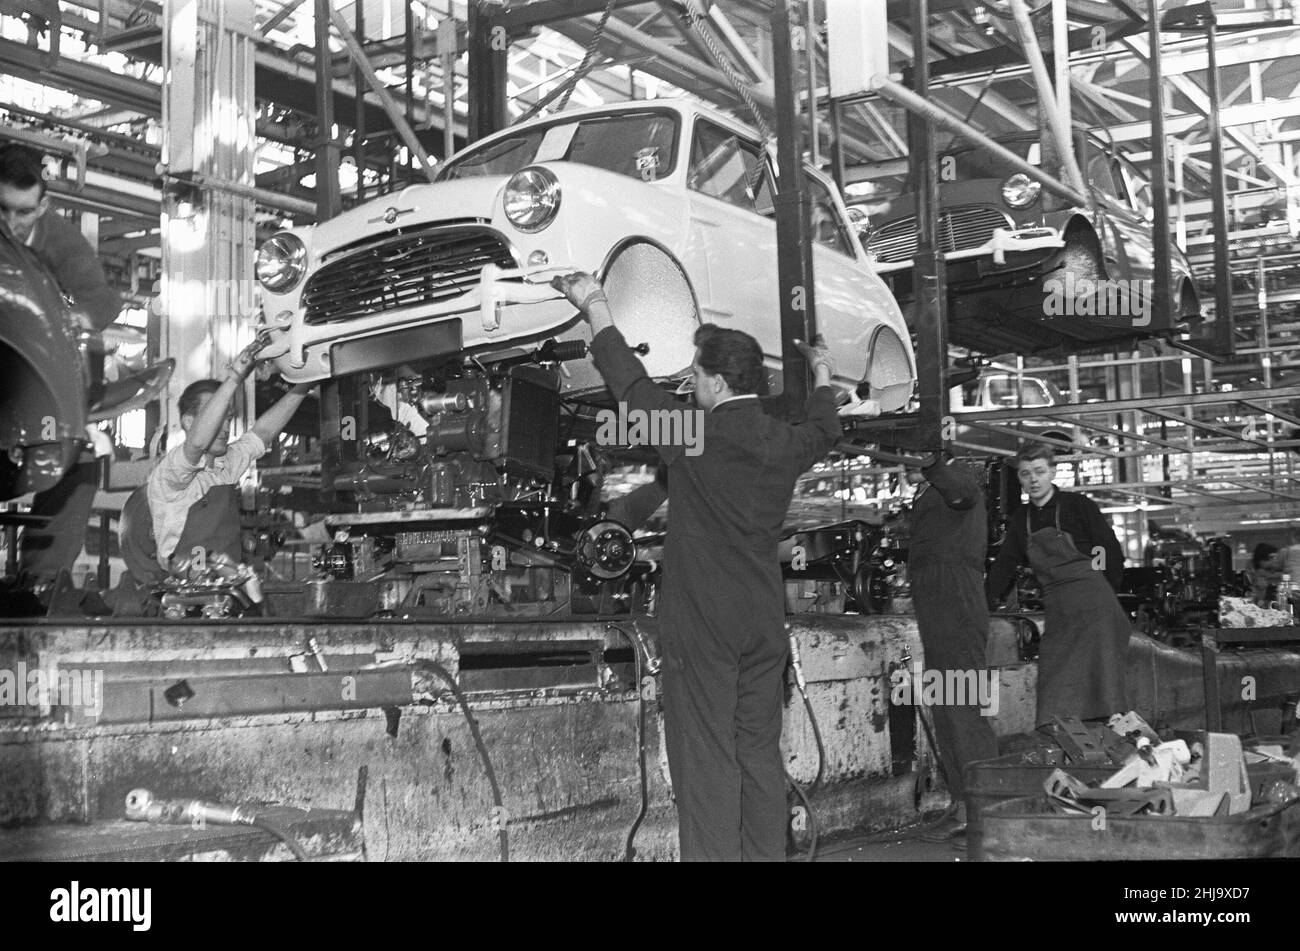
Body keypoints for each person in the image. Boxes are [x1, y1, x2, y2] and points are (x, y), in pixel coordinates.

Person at [551, 270, 843, 862]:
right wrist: (822, 371)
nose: (690, 385)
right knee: (758, 753)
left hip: (704, 624)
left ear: (713, 381)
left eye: (694, 377)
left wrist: (596, 307)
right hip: (763, 623)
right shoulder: (783, 442)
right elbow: (826, 426)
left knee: (707, 759)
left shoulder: (693, 434)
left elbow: (631, 390)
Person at [1, 143, 123, 598]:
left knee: (83, 461)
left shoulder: (59, 239)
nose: (12, 223)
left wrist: (78, 319)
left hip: (29, 398)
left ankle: (41, 579)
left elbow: (103, 301)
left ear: (44, 205)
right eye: (3, 210)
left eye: (24, 213)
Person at [985, 444, 1130, 727]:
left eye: (1039, 471)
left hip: (1094, 604)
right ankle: (1066, 741)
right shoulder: (1021, 520)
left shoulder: (1079, 506)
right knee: (1053, 673)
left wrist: (1105, 593)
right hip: (1059, 607)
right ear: (1020, 479)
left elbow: (1110, 552)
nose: (1033, 479)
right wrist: (983, 603)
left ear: (1053, 471)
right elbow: (1004, 564)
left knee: (1102, 680)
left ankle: (1106, 739)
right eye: (1026, 474)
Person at [146, 339, 311, 576]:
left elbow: (262, 432)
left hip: (227, 587)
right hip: (185, 591)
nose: (225, 427)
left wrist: (305, 384)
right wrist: (235, 377)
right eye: (218, 417)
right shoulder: (172, 471)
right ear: (189, 423)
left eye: (228, 418)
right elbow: (197, 442)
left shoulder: (225, 465)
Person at [907, 455, 999, 843]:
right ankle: (965, 805)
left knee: (962, 708)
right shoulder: (936, 493)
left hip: (953, 602)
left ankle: (987, 812)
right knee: (947, 708)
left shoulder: (961, 485)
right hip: (938, 603)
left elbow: (961, 493)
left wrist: (930, 463)